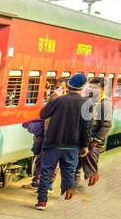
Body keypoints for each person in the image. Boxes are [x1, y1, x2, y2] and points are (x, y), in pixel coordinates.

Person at [35, 71, 90, 210]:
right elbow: (86, 128)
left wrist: (51, 100)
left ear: (68, 85)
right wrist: (85, 145)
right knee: (69, 172)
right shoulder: (86, 104)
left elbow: (43, 114)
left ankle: (42, 202)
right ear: (83, 87)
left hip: (53, 143)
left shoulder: (59, 100)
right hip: (72, 145)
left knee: (46, 171)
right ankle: (67, 198)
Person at [81, 76, 111, 186]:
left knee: (90, 156)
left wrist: (96, 141)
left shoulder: (105, 104)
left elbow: (106, 125)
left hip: (94, 141)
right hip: (86, 137)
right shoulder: (88, 99)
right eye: (90, 86)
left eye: (95, 87)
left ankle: (92, 175)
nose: (92, 89)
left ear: (103, 89)